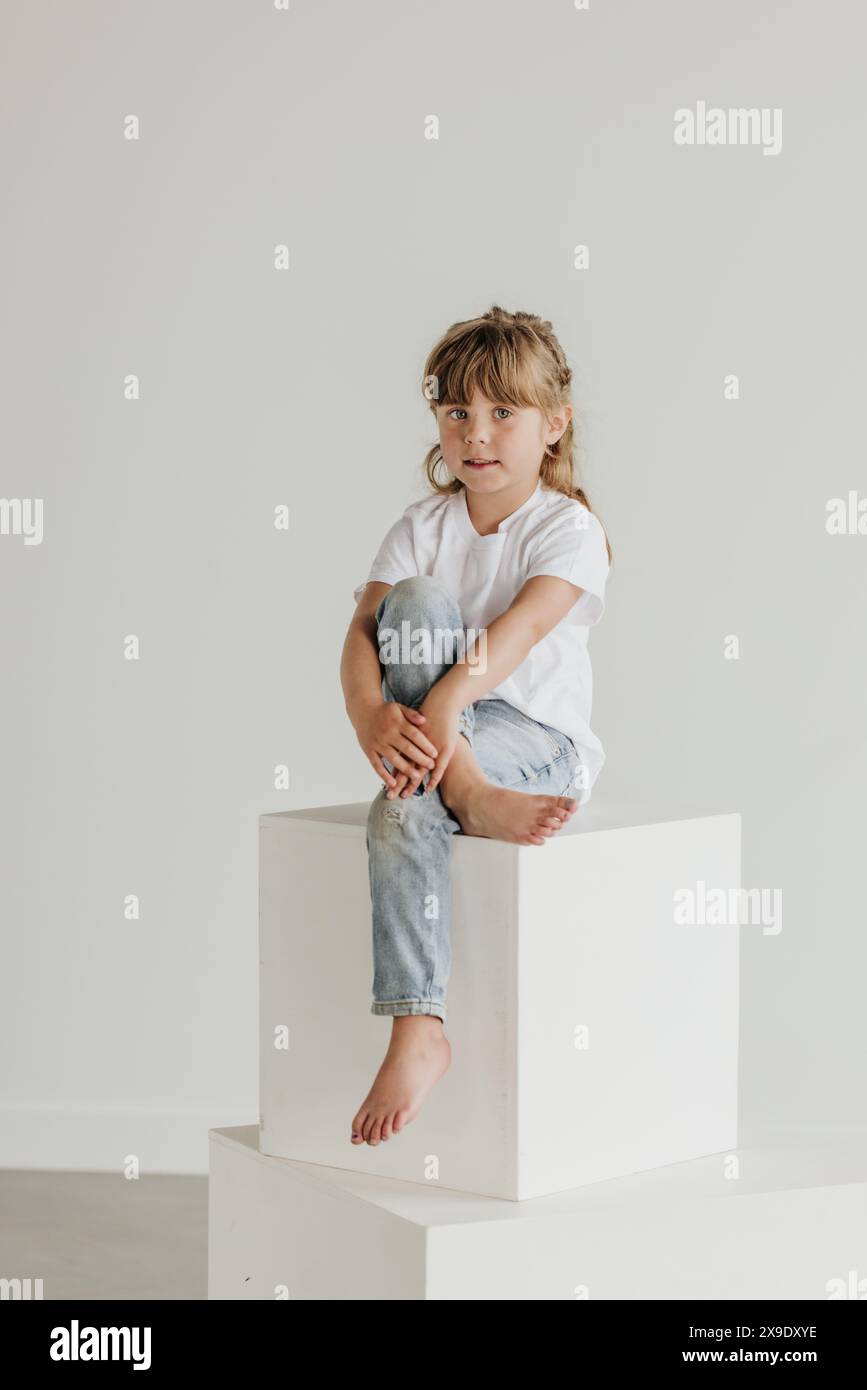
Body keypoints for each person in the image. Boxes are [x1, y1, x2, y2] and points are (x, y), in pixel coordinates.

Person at [339, 305, 612, 1148]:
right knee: (413, 608)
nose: (476, 433)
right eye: (456, 412)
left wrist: (446, 706)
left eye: (502, 412)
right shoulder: (420, 526)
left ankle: (418, 1026)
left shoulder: (567, 529)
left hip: (532, 738)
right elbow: (361, 637)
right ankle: (420, 1024)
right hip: (438, 727)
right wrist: (369, 717)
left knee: (400, 807)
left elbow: (524, 629)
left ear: (553, 424)